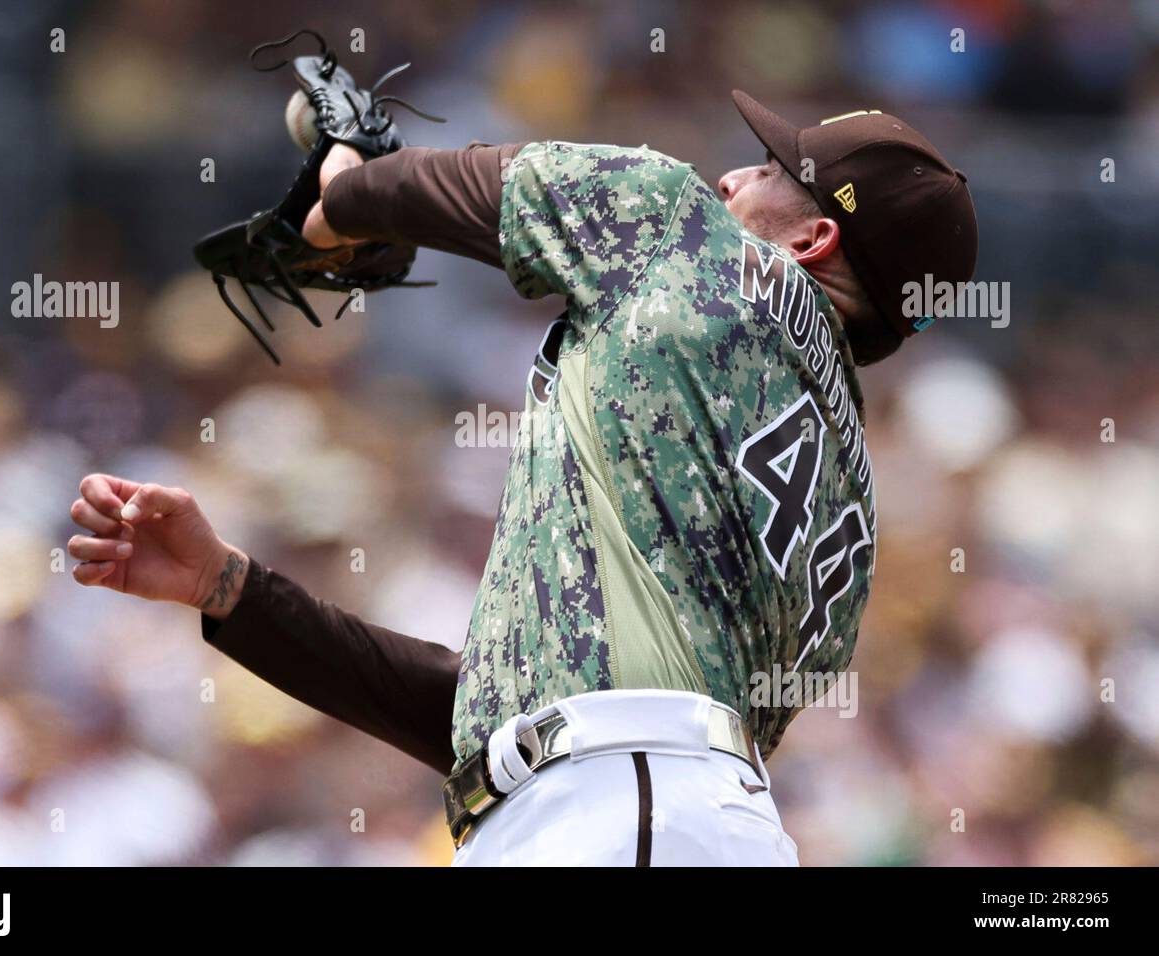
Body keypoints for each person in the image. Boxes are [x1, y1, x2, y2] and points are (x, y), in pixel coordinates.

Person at [68, 91, 978, 865]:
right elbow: (500, 719)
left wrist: (344, 190)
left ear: (816, 237)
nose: (733, 179)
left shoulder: (687, 236)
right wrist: (234, 592)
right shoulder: (852, 508)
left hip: (614, 815)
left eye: (772, 171)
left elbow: (476, 184)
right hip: (684, 814)